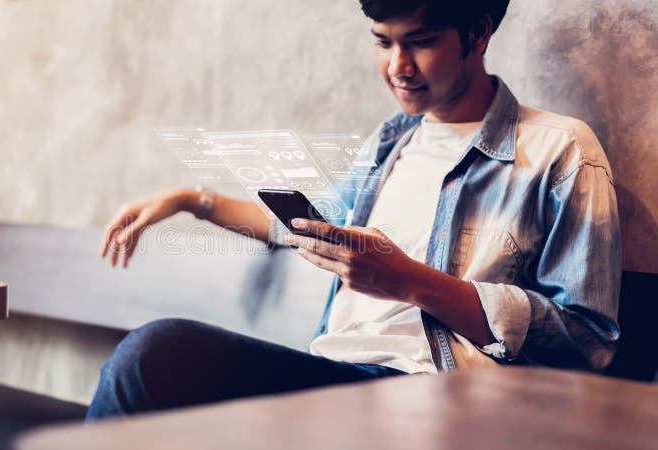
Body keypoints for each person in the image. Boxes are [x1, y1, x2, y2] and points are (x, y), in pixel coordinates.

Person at [86, 0, 621, 419]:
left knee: (154, 353)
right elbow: (302, 227)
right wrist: (191, 201)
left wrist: (409, 280)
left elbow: (586, 341)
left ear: (478, 34)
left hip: (436, 398)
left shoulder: (560, 150)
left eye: (421, 42)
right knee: (159, 383)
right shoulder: (390, 144)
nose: (398, 66)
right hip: (333, 375)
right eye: (383, 43)